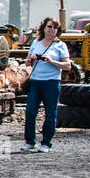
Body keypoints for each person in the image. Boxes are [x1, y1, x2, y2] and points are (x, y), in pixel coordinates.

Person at [20, 17, 71, 153]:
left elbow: (67, 66)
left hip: (52, 83)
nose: (51, 30)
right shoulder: (36, 43)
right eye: (49, 27)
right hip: (35, 82)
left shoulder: (60, 45)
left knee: (50, 114)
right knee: (30, 112)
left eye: (55, 28)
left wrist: (52, 61)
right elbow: (26, 62)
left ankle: (46, 143)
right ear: (43, 28)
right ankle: (30, 141)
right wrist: (31, 59)